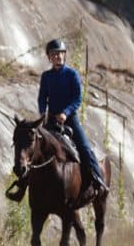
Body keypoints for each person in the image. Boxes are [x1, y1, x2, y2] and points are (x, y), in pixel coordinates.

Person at [38, 38, 108, 197]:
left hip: (69, 119)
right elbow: (42, 97)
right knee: (35, 147)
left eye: (60, 53)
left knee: (84, 147)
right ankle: (25, 184)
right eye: (54, 54)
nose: (58, 57)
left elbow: (77, 98)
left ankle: (97, 180)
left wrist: (66, 112)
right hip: (51, 121)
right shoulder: (46, 76)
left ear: (65, 55)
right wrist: (42, 113)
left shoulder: (72, 74)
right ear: (49, 57)